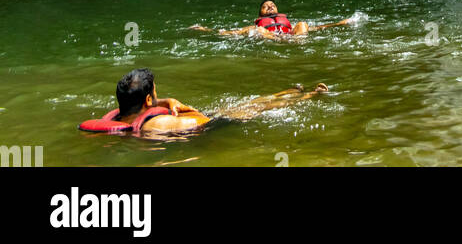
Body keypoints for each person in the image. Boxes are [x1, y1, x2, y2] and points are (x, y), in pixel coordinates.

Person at [79, 67, 329, 137]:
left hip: (191, 121)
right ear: (147, 98)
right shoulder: (159, 124)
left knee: (249, 103)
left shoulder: (115, 118)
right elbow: (201, 123)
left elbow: (149, 107)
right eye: (156, 92)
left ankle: (287, 92)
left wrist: (167, 101)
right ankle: (306, 95)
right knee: (253, 109)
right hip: (209, 125)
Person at [189, 0, 352, 39]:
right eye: (265, 6)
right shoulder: (256, 26)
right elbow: (233, 33)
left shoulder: (289, 24)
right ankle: (291, 43)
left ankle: (299, 43)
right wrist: (205, 29)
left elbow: (316, 28)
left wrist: (338, 24)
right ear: (260, 14)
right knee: (258, 30)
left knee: (303, 23)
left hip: (291, 37)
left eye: (272, 5)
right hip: (271, 38)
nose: (270, 6)